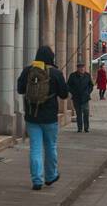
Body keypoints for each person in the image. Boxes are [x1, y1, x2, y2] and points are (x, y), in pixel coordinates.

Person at [17, 45, 69, 191]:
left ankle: (37, 180)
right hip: (50, 118)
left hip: (32, 117)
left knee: (35, 148)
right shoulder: (56, 73)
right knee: (50, 146)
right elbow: (64, 94)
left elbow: (20, 89)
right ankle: (51, 175)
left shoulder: (28, 71)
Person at [67, 61, 92, 133]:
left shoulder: (87, 75)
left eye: (83, 67)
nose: (81, 69)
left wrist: (88, 92)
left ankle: (86, 128)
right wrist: (73, 92)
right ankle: (80, 128)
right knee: (78, 113)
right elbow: (68, 85)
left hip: (85, 97)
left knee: (86, 113)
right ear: (77, 68)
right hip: (76, 97)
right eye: (80, 67)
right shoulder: (72, 76)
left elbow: (91, 85)